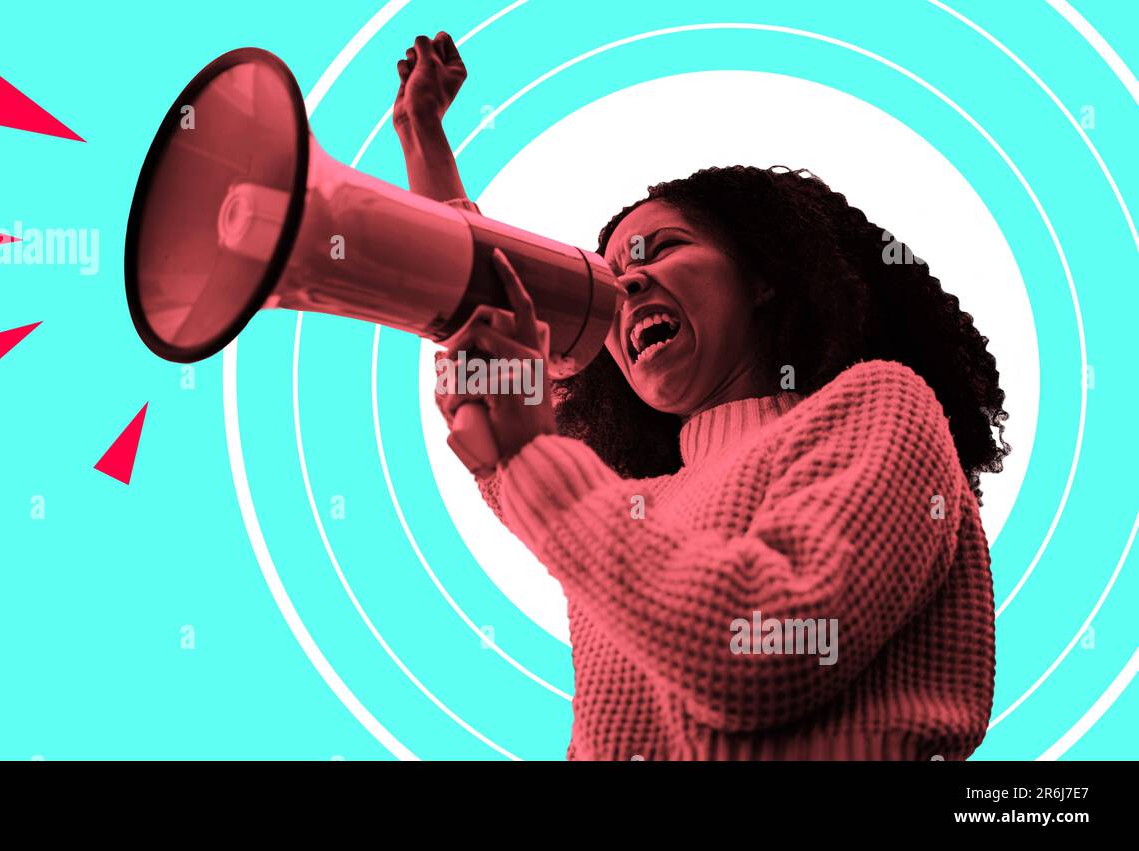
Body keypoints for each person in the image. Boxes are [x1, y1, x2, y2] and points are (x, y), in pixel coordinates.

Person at [395, 33, 1005, 760]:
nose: (626, 284)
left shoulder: (882, 406)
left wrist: (532, 459)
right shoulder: (630, 501)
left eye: (662, 249)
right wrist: (421, 134)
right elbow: (482, 313)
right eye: (609, 276)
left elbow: (761, 653)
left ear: (763, 275)